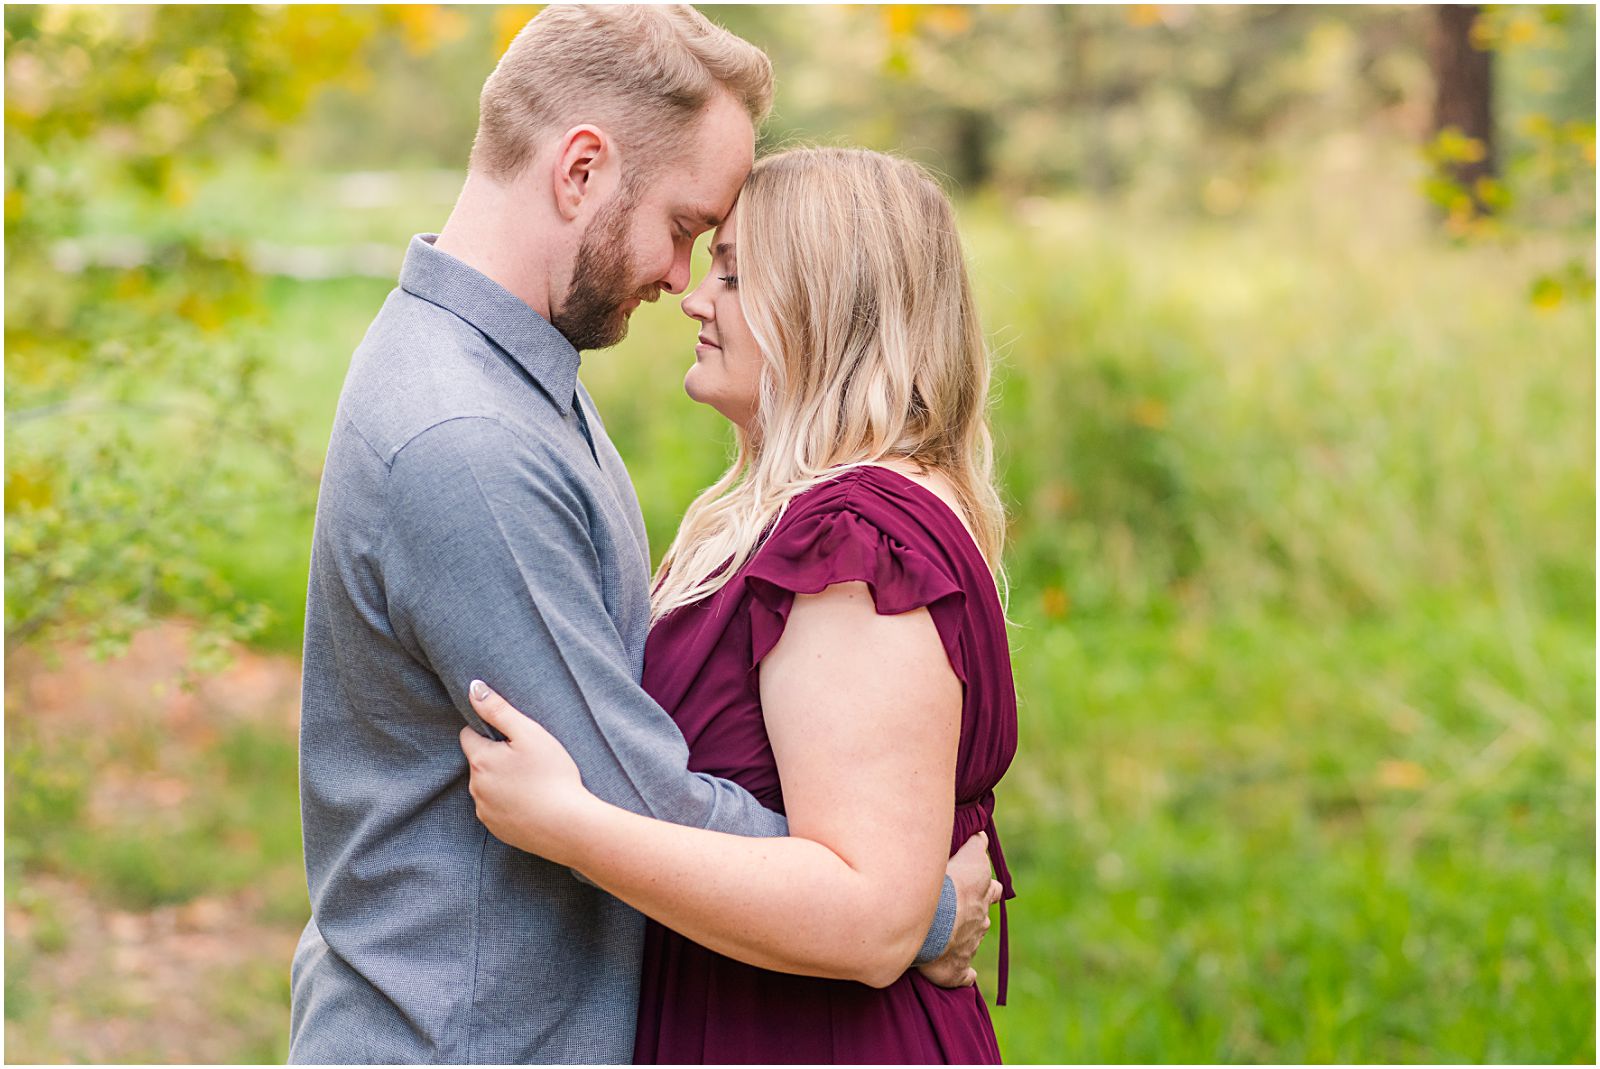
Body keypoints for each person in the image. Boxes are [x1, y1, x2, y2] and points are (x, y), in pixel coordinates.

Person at [289, 8, 995, 1064]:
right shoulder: (469, 434)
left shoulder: (520, 380)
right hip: (467, 1037)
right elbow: (627, 790)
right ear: (580, 170)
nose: (680, 281)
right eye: (683, 228)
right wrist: (910, 907)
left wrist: (876, 894)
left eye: (723, 260)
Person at [459, 147, 1019, 1064]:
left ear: (824, 307)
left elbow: (870, 916)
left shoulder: (856, 546)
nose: (692, 294)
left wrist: (573, 827)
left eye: (734, 272)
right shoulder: (796, 516)